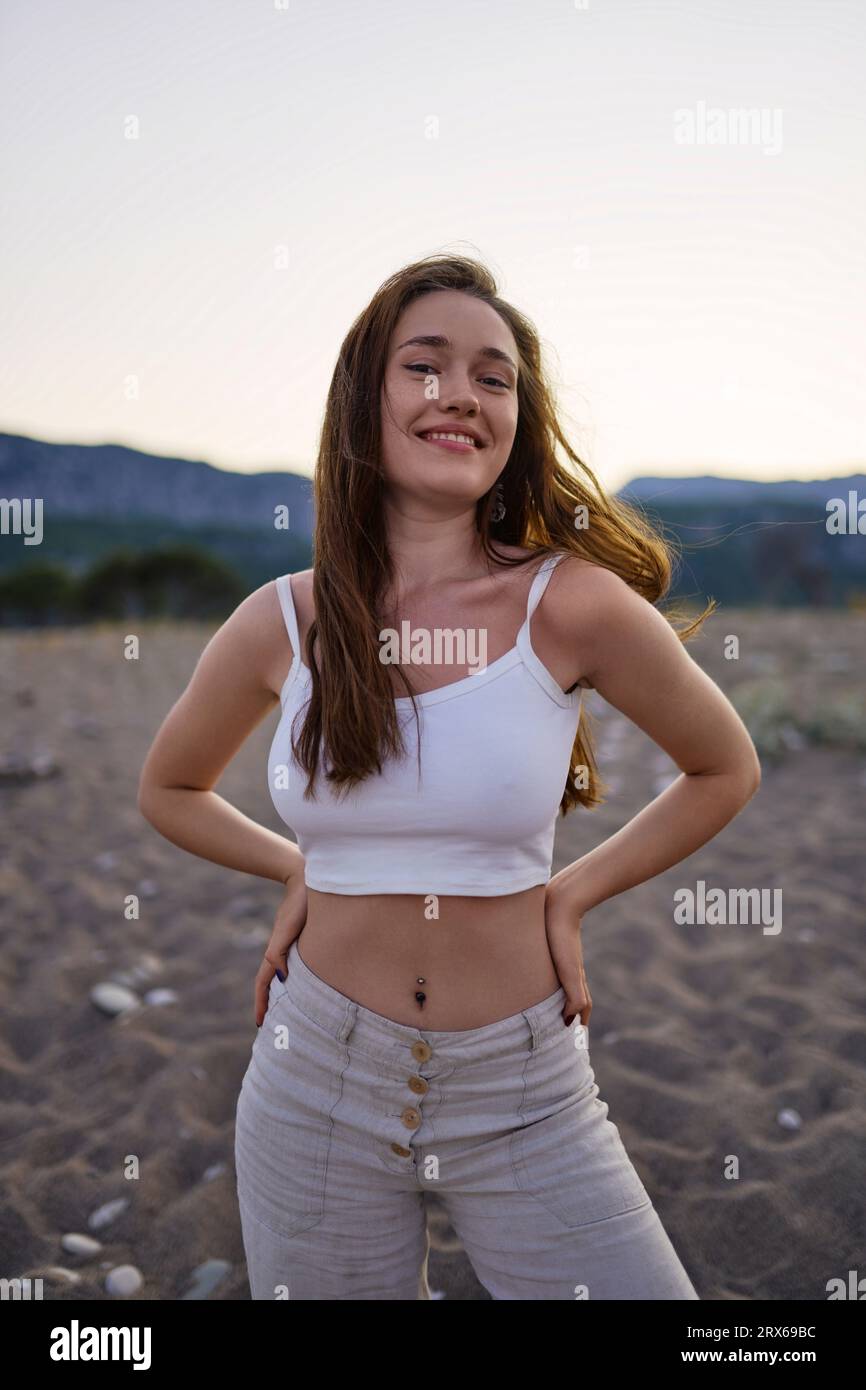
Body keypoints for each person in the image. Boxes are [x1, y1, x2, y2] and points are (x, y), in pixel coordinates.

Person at [137, 254, 760, 1300]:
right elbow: (169, 787)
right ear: (365, 399)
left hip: (523, 1085)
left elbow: (722, 765)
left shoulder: (572, 604)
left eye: (493, 376)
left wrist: (571, 891)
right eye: (425, 367)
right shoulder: (280, 619)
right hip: (312, 1078)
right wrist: (299, 866)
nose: (461, 395)